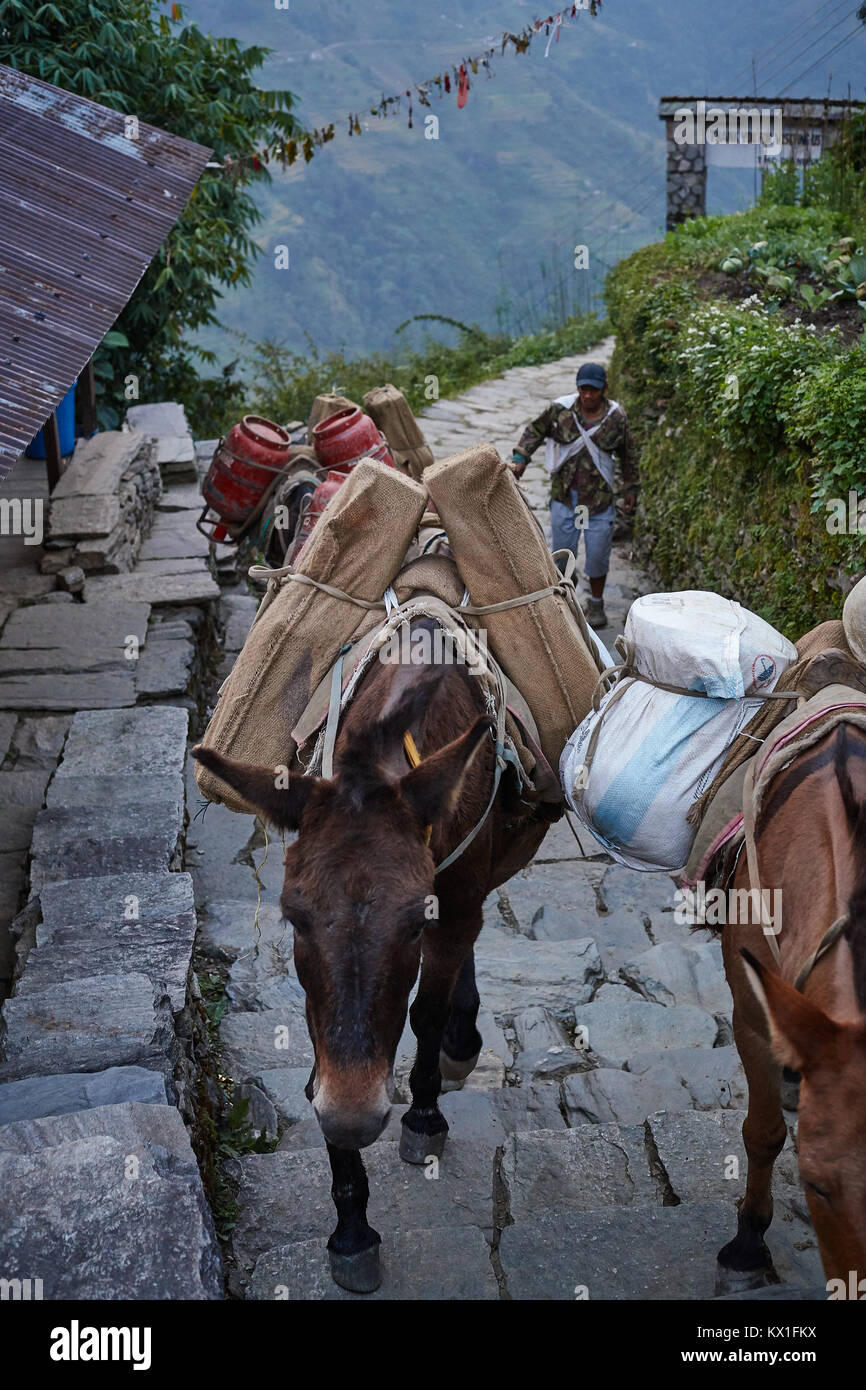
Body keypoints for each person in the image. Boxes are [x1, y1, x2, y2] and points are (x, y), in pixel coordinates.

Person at [511, 361, 639, 629]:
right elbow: (535, 430)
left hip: (599, 502)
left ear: (604, 388)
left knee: (597, 555)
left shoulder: (616, 418)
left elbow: (628, 454)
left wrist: (631, 488)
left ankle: (596, 602)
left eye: (593, 390)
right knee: (562, 553)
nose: (588, 395)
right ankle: (565, 594)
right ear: (578, 388)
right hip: (565, 498)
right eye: (583, 390)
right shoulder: (560, 411)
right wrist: (520, 458)